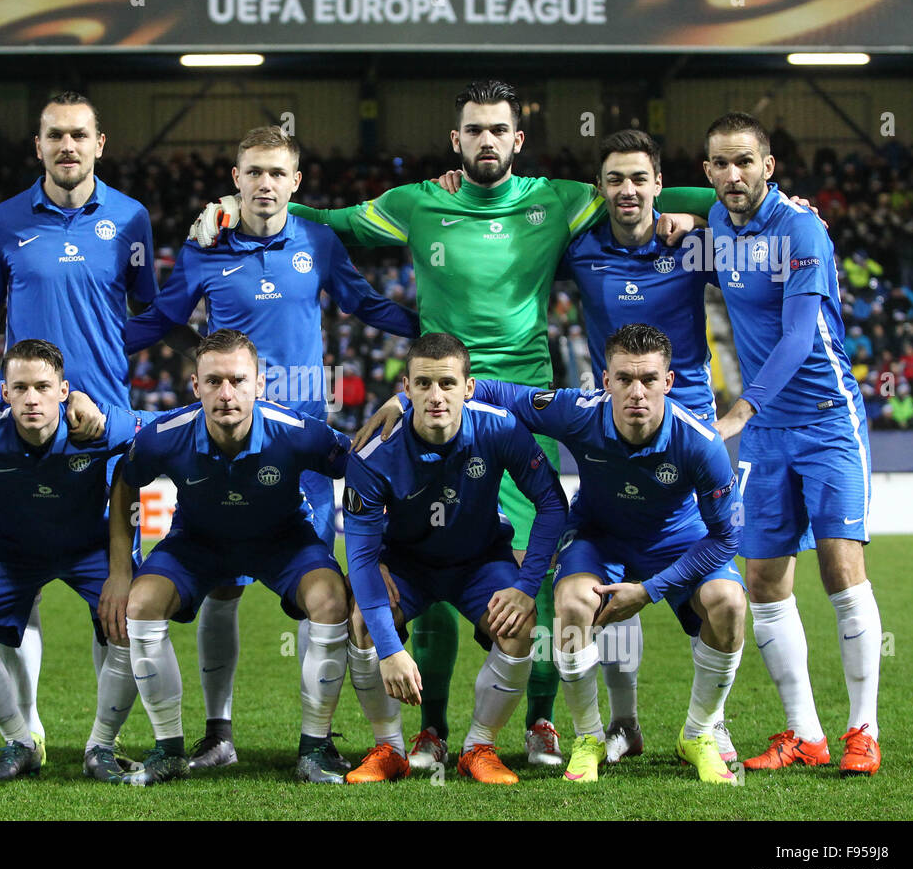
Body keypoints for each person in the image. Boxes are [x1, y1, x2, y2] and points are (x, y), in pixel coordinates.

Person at [193, 80, 717, 770]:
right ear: (457, 140)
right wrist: (234, 205)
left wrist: (756, 207)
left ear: (516, 139)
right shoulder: (418, 202)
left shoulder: (557, 198)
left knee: (532, 570)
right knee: (431, 558)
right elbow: (337, 220)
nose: (487, 141)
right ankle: (431, 731)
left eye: (499, 130)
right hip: (435, 399)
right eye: (475, 131)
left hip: (522, 408)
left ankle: (539, 725)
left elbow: (648, 192)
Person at [124, 125, 419, 769]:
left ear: (295, 183)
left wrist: (432, 334)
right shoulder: (204, 251)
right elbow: (162, 321)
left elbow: (364, 303)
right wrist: (90, 341)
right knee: (221, 590)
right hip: (226, 439)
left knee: (322, 598)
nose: (264, 184)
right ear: (236, 179)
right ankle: (218, 733)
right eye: (252, 172)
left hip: (301, 453)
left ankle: (317, 740)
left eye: (276, 173)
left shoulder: (317, 240)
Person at [365, 324, 746, 783]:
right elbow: (486, 389)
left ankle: (700, 732)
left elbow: (726, 538)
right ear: (605, 381)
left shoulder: (700, 444)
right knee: (570, 602)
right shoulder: (577, 412)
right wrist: (406, 400)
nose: (636, 392)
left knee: (729, 602)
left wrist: (650, 590)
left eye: (648, 379)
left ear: (668, 382)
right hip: (599, 535)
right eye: (624, 379)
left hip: (676, 540)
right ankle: (588, 738)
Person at [0, 91, 157, 764]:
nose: (66, 146)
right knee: (16, 591)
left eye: (79, 135)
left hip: (102, 435)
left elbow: (148, 313)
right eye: (54, 136)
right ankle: (29, 731)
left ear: (100, 143)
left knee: (116, 611)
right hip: (25, 423)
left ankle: (103, 744)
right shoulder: (6, 221)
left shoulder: (131, 220)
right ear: (37, 146)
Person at [704, 113, 881, 776]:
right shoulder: (718, 218)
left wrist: (742, 408)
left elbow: (800, 336)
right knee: (765, 580)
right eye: (721, 164)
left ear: (769, 166)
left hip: (828, 419)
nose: (733, 175)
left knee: (840, 569)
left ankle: (862, 730)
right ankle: (803, 733)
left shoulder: (801, 227)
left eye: (745, 161)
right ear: (707, 173)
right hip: (769, 437)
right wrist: (673, 216)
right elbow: (670, 197)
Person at [554, 128, 731, 764]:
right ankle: (622, 724)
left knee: (715, 593)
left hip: (686, 427)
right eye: (614, 180)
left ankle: (710, 724)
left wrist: (700, 211)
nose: (627, 191)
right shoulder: (578, 250)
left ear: (659, 183)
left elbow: (750, 211)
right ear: (599, 190)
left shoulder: (693, 246)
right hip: (617, 421)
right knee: (614, 573)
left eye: (639, 179)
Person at [118, 329, 353, 785]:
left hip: (282, 541)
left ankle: (315, 748)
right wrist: (120, 568)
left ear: (259, 385)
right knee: (141, 602)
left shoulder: (298, 432)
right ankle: (168, 750)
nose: (226, 393)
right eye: (214, 381)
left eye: (239, 381)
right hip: (198, 544)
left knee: (331, 599)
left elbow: (366, 463)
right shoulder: (164, 436)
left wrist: (373, 559)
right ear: (195, 386)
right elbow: (126, 480)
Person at [342, 333, 567, 784]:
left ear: (469, 387)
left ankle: (478, 748)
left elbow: (552, 503)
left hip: (479, 563)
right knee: (364, 622)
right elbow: (362, 558)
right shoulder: (372, 453)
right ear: (404, 388)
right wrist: (390, 650)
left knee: (519, 625)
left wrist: (524, 588)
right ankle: (389, 749)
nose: (435, 396)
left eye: (447, 383)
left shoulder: (500, 427)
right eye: (423, 384)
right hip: (406, 565)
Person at [0, 339, 146, 783]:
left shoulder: (98, 427)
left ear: (65, 390)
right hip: (13, 550)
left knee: (130, 623)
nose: (32, 399)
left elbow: (158, 432)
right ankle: (20, 741)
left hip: (90, 548)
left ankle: (101, 748)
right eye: (21, 388)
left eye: (43, 387)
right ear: (4, 393)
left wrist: (123, 570)